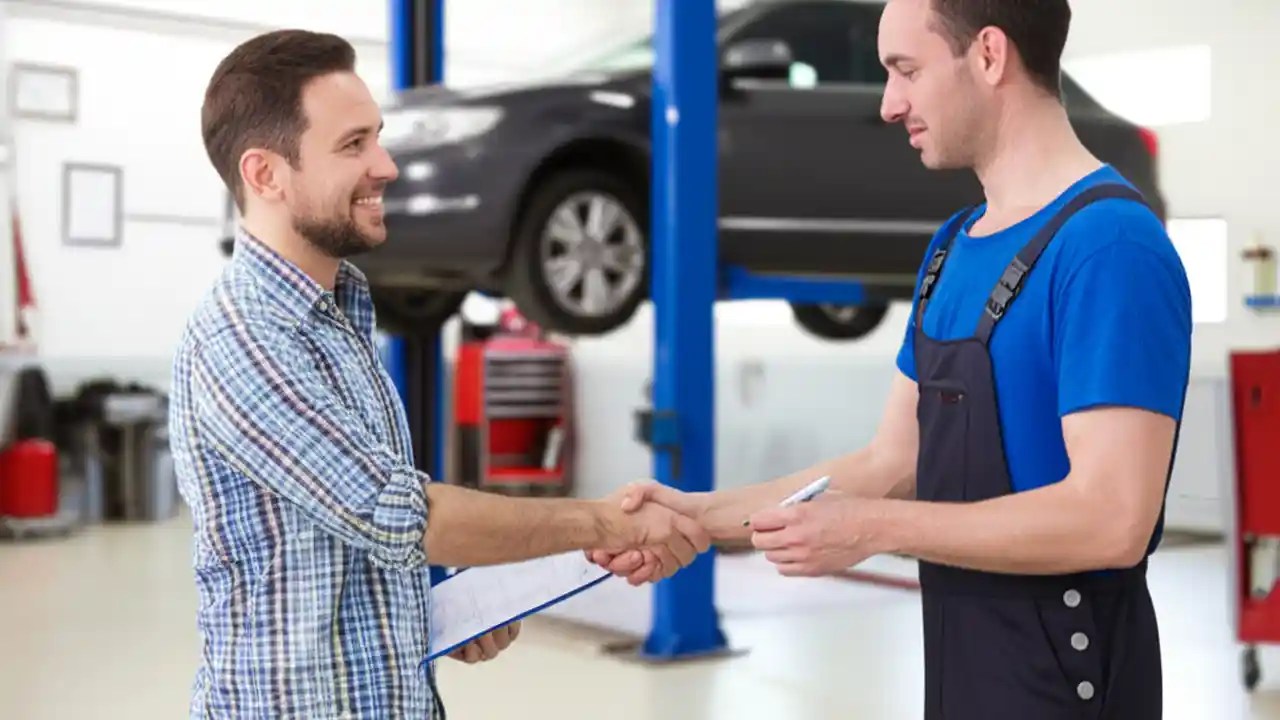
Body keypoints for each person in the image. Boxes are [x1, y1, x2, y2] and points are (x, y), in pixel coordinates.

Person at [595, 1, 1191, 717]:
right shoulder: (952, 248)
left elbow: (1111, 519)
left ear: (990, 56)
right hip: (965, 680)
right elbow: (889, 463)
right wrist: (700, 518)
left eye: (906, 70)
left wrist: (872, 529)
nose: (888, 104)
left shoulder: (1108, 248)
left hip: (1072, 692)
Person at [170, 29, 708, 720]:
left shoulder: (342, 315)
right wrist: (603, 523)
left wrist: (433, 609)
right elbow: (401, 516)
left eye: (378, 138)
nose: (387, 165)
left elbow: (348, 537)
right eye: (353, 145)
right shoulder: (242, 337)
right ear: (266, 174)